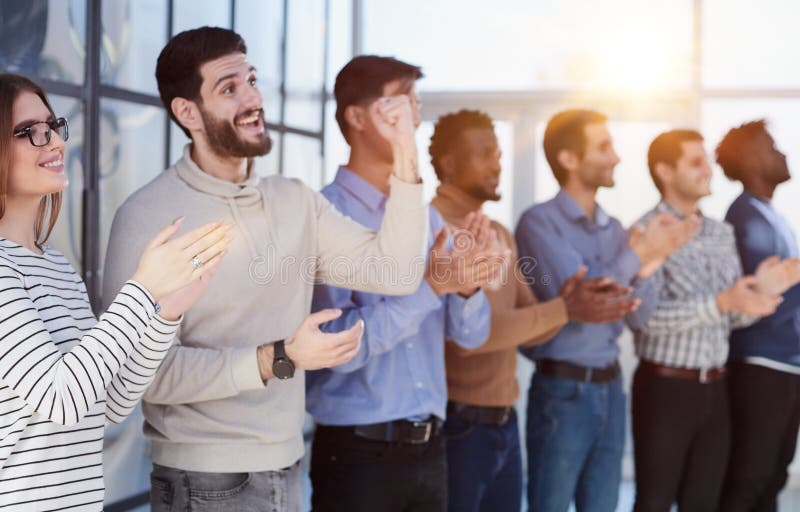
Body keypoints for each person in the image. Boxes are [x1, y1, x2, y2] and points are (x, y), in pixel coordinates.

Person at [101, 29, 429, 512]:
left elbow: (397, 272)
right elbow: (138, 375)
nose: (254, 98)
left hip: (287, 469)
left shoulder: (294, 200)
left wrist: (405, 150)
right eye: (229, 88)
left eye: (252, 80)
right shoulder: (148, 216)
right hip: (201, 480)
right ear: (187, 112)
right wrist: (277, 357)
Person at [0, 73, 231, 511]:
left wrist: (164, 314)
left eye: (52, 126)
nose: (51, 141)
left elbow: (106, 403)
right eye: (29, 131)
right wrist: (143, 289)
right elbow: (60, 398)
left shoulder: (56, 268)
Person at [306, 57, 504, 512]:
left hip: (431, 449)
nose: (414, 118)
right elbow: (337, 349)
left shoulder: (427, 218)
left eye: (416, 104)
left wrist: (468, 285)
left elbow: (470, 335)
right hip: (356, 456)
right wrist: (432, 289)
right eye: (400, 104)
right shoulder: (322, 215)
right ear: (357, 118)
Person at [427, 109, 640, 511]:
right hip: (457, 426)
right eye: (486, 153)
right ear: (449, 164)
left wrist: (561, 310)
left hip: (503, 422)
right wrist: (564, 308)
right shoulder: (431, 231)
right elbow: (472, 339)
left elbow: (537, 323)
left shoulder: (499, 234)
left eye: (500, 154)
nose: (498, 164)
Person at [515, 109, 700, 512]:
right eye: (604, 147)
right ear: (568, 159)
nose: (615, 157)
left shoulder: (615, 228)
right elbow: (588, 298)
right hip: (562, 394)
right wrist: (638, 254)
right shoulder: (539, 223)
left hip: (612, 390)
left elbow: (638, 315)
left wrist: (648, 264)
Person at [629, 129, 796, 512]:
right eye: (695, 162)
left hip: (716, 389)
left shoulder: (722, 233)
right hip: (665, 389)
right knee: (653, 502)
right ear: (665, 171)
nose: (708, 169)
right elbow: (646, 320)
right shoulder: (645, 232)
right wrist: (722, 301)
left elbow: (732, 316)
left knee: (702, 503)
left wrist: (759, 292)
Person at [718, 120, 800, 512]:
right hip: (761, 366)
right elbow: (763, 286)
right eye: (772, 146)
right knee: (749, 480)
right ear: (751, 160)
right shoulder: (745, 216)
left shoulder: (772, 216)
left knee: (771, 478)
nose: (782, 153)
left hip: (784, 364)